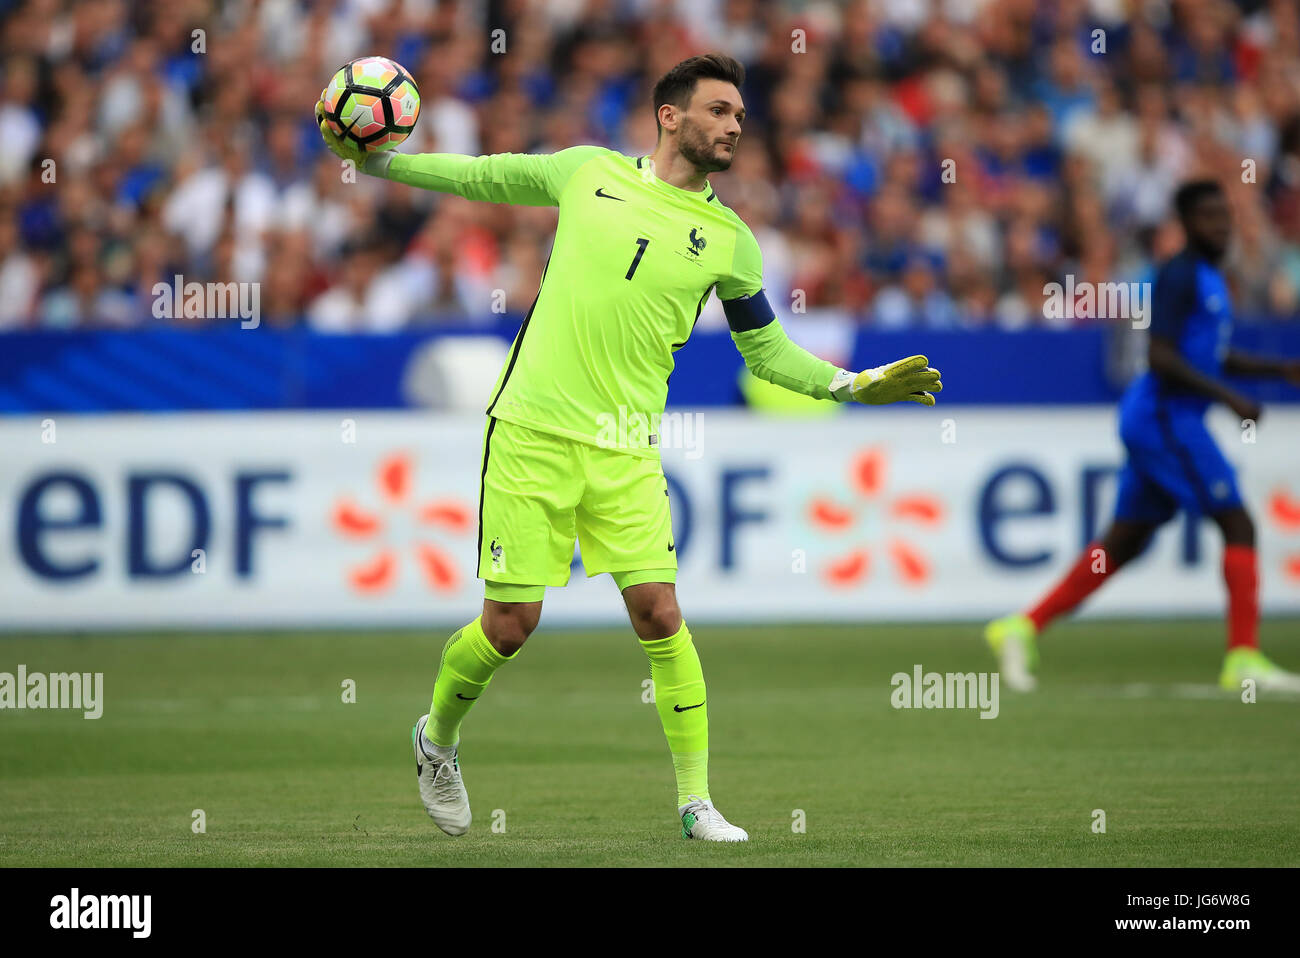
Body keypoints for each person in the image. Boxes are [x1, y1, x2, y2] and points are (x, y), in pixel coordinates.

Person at [318, 53, 942, 840]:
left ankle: (696, 802)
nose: (734, 125)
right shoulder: (586, 171)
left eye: (741, 116)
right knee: (510, 626)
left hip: (625, 446)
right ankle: (435, 739)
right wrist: (382, 164)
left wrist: (852, 386)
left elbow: (767, 355)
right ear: (670, 115)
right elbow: (480, 178)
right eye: (719, 110)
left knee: (660, 612)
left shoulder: (731, 241)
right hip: (534, 429)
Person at [985, 180, 1300, 693]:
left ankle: (1021, 626)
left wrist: (1276, 370)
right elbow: (1161, 357)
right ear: (1186, 223)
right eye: (1208, 217)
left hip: (1158, 417)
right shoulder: (1179, 276)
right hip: (1165, 417)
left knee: (1124, 543)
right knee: (1237, 523)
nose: (1220, 226)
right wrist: (1229, 399)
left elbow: (1206, 356)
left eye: (1224, 216)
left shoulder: (1209, 278)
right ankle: (1243, 658)